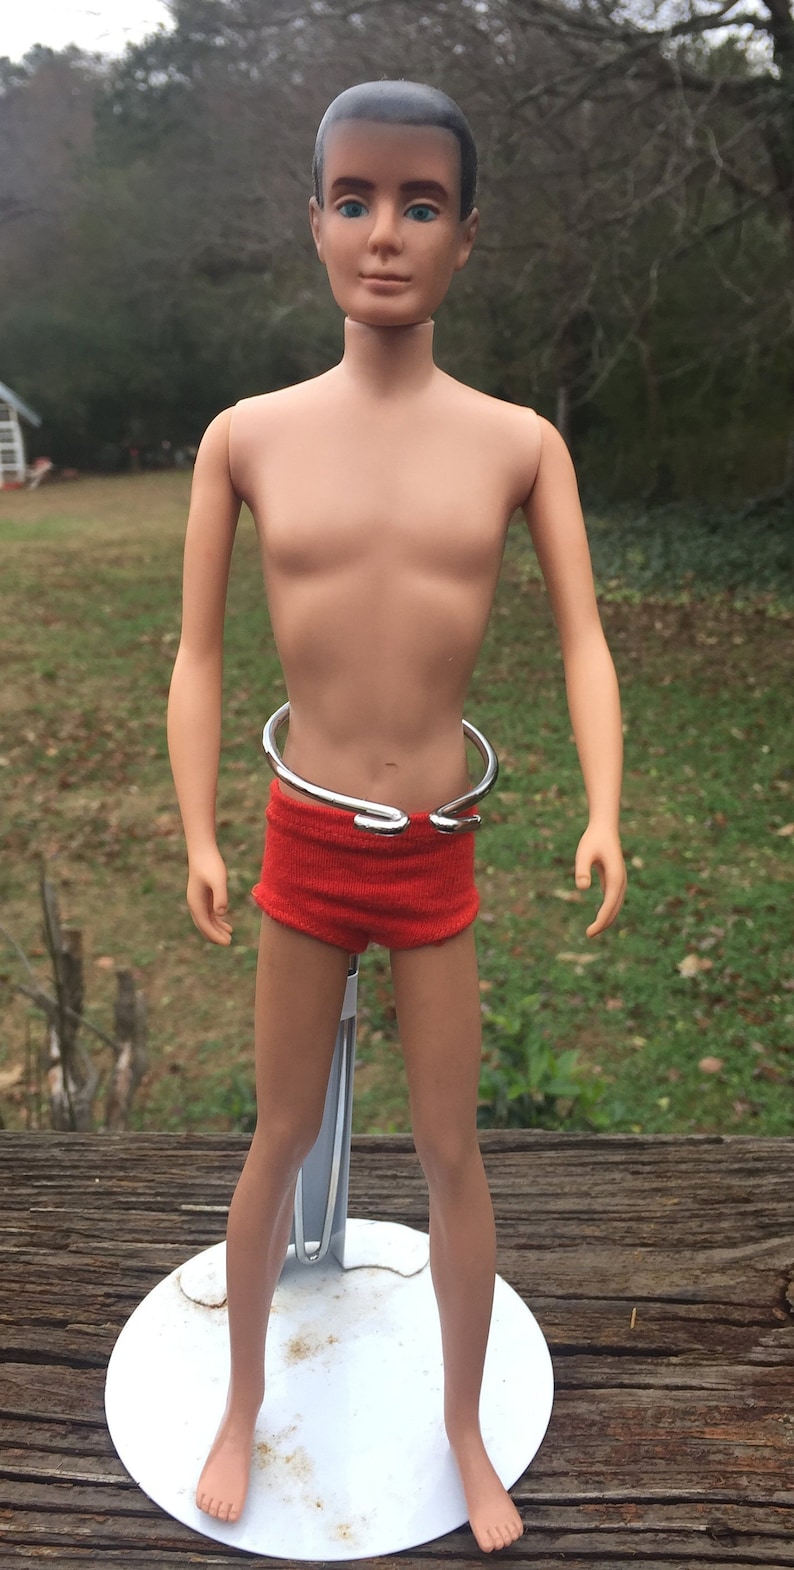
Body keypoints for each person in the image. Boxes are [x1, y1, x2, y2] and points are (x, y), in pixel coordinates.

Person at [167, 80, 626, 1555]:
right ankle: (241, 1401)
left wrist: (603, 806)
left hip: (434, 852)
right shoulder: (245, 438)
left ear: (465, 236)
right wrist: (199, 830)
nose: (384, 234)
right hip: (303, 847)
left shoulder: (517, 444)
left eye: (419, 204)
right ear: (312, 222)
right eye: (355, 200)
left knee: (450, 1153)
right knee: (277, 1137)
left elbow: (583, 641)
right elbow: (197, 655)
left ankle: (460, 1427)